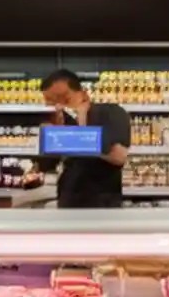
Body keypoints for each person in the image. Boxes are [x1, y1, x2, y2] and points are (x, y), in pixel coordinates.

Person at [40, 69, 132, 208]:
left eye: (65, 99)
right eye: (51, 102)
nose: (60, 106)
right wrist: (48, 139)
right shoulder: (60, 121)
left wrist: (78, 130)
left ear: (83, 95)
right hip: (67, 201)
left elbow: (118, 156)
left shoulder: (111, 113)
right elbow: (46, 165)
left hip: (103, 204)